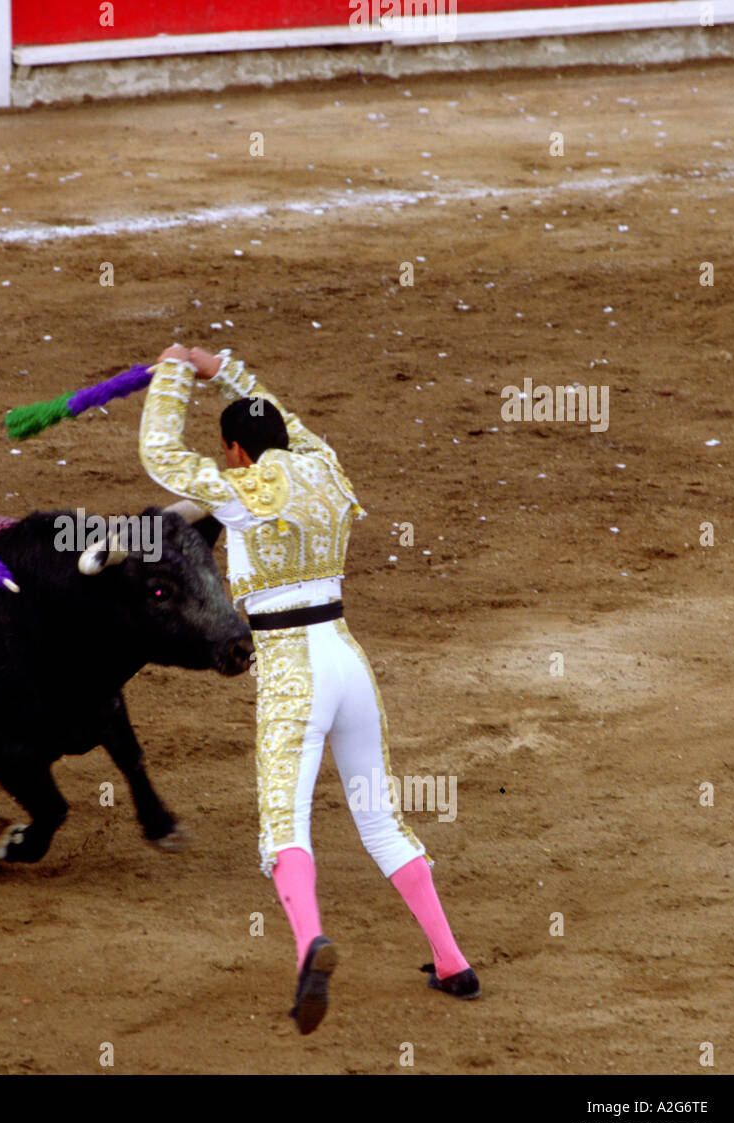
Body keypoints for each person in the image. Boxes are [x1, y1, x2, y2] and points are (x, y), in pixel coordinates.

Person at [138, 343, 479, 1035]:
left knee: (283, 827)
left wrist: (174, 372)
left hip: (293, 668)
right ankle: (452, 960)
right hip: (349, 660)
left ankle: (308, 949)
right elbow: (287, 419)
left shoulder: (243, 491)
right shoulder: (323, 464)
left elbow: (158, 454)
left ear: (237, 453)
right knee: (380, 818)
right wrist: (223, 369)